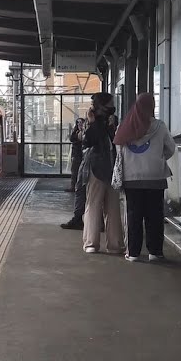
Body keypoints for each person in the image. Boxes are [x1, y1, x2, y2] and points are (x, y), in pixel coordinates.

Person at [114, 92, 176, 262]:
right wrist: (157, 157)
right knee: (154, 216)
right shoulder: (160, 126)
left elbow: (119, 150)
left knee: (133, 215)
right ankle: (155, 252)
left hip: (131, 178)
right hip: (155, 178)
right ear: (152, 106)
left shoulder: (124, 126)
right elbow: (170, 149)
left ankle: (133, 253)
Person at [81, 93, 122, 254]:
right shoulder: (90, 120)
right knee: (94, 205)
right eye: (111, 103)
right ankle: (92, 243)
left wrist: (112, 127)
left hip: (112, 168)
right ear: (102, 105)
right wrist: (93, 123)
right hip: (96, 167)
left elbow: (116, 141)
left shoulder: (114, 120)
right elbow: (88, 141)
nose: (113, 106)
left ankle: (115, 244)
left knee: (112, 207)